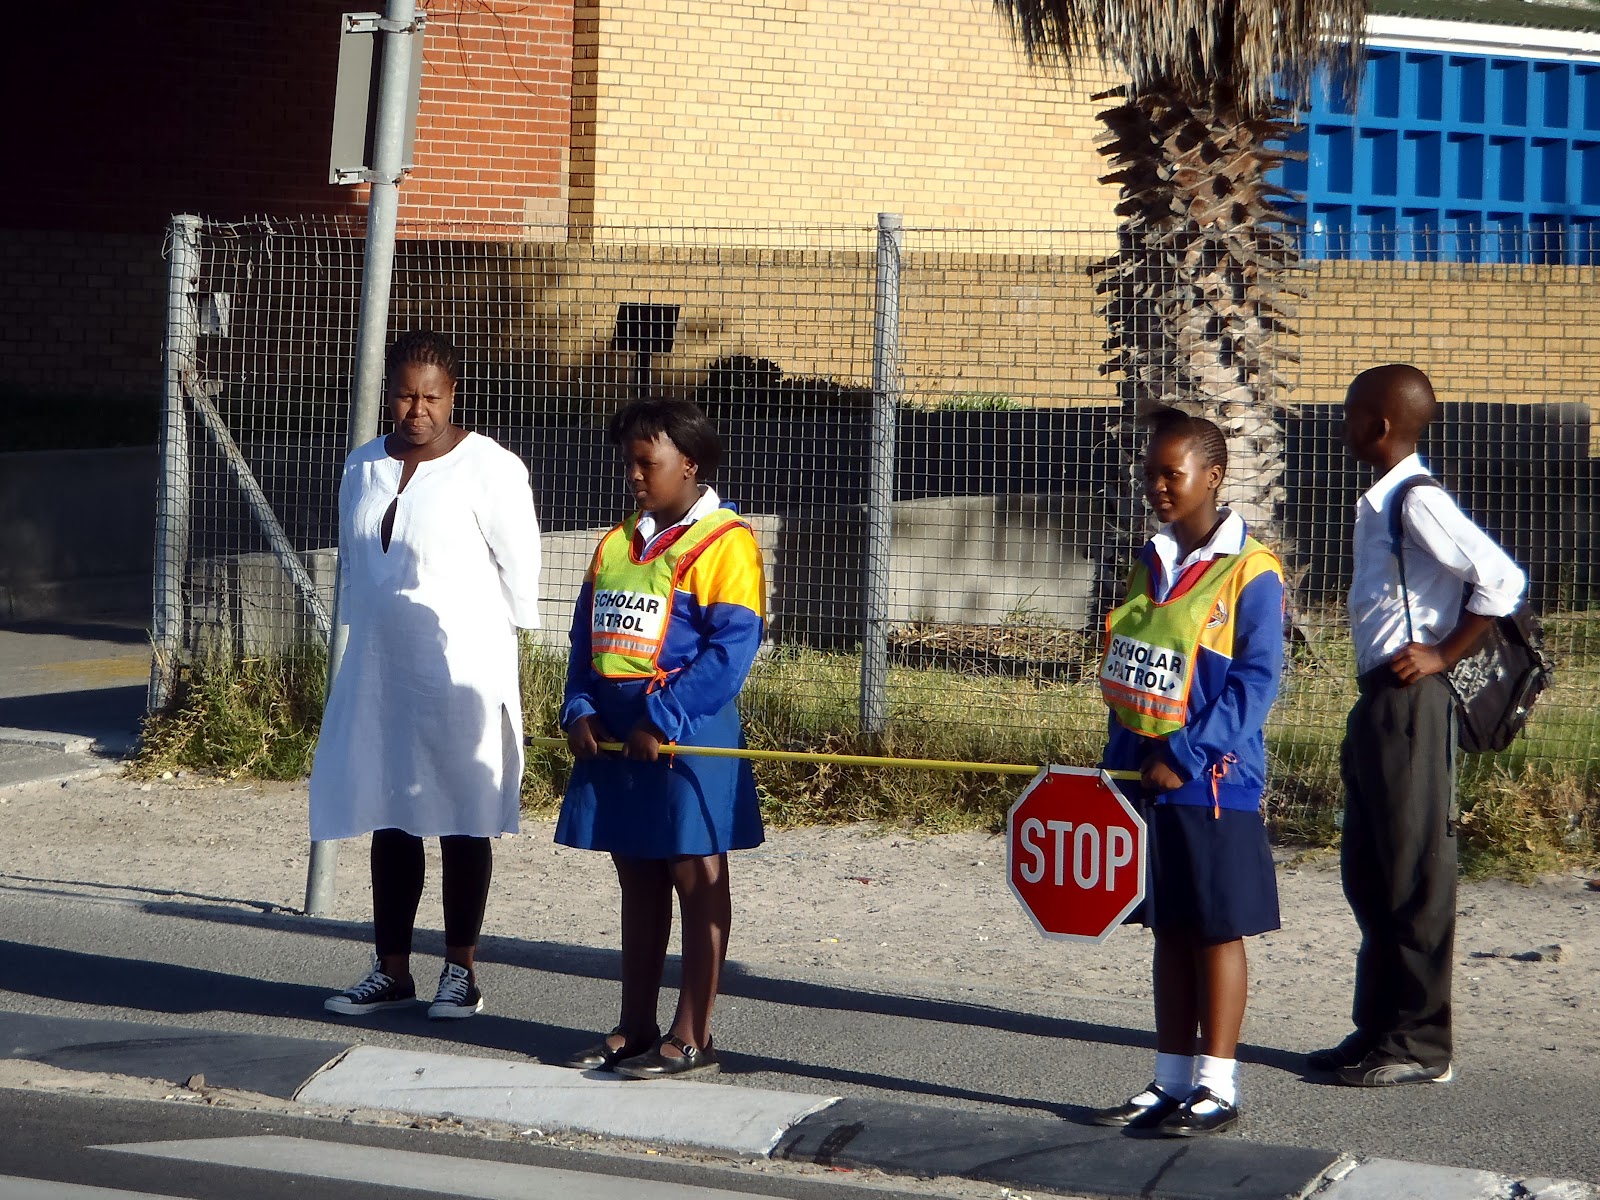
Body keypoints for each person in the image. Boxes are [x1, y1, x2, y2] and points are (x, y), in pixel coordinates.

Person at [313, 329, 542, 1021]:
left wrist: (504, 652)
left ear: (454, 395)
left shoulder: (490, 467)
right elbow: (356, 566)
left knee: (462, 816)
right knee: (391, 812)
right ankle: (392, 970)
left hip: (459, 670)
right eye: (406, 396)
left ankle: (460, 971)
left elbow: (520, 573)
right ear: (389, 395)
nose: (418, 411)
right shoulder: (363, 465)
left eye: (432, 397)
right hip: (381, 669)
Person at [1309, 364, 1525, 1087]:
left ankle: (1421, 1045)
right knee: (1371, 871)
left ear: (1378, 425)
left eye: (1349, 413)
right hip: (1380, 700)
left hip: (1413, 703)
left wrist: (1442, 653)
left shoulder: (1416, 500)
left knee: (1413, 873)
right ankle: (1378, 1028)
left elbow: (1501, 578)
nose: (1341, 424)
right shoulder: (1382, 501)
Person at [554, 397, 765, 1079]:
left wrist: (663, 716)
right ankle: (635, 1024)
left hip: (684, 737)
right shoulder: (616, 543)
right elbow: (584, 638)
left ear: (690, 464)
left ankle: (692, 1032)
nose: (635, 475)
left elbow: (731, 650)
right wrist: (579, 706)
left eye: (648, 462)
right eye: (630, 463)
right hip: (617, 738)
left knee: (695, 874)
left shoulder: (727, 543)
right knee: (637, 873)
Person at [1090, 409, 1286, 1137]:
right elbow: (1131, 672)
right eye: (1151, 475)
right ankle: (1170, 1080)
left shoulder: (1252, 572)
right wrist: (1121, 767)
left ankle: (1217, 1085)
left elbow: (1256, 684)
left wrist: (1185, 756)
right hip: (1144, 781)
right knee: (1167, 929)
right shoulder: (1149, 561)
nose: (1158, 487)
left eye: (1171, 474)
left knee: (1215, 931)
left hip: (1213, 784)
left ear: (1214, 475)